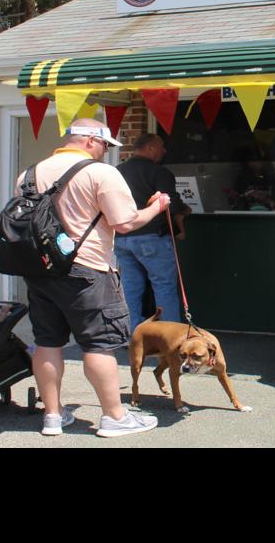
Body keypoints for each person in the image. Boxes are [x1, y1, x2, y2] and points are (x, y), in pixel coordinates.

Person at [23, 119, 172, 438]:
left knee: (47, 342)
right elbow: (126, 223)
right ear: (91, 140)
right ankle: (114, 417)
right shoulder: (100, 173)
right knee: (98, 344)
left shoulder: (29, 173)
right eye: (105, 145)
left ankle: (52, 415)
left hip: (41, 270)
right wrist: (157, 208)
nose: (107, 151)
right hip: (87, 269)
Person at [114, 133, 188, 325]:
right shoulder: (159, 172)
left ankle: (131, 336)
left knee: (130, 287)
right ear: (150, 148)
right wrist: (185, 210)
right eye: (161, 146)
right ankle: (169, 337)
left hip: (121, 237)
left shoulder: (116, 172)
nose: (164, 151)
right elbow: (171, 203)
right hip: (151, 237)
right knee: (163, 287)